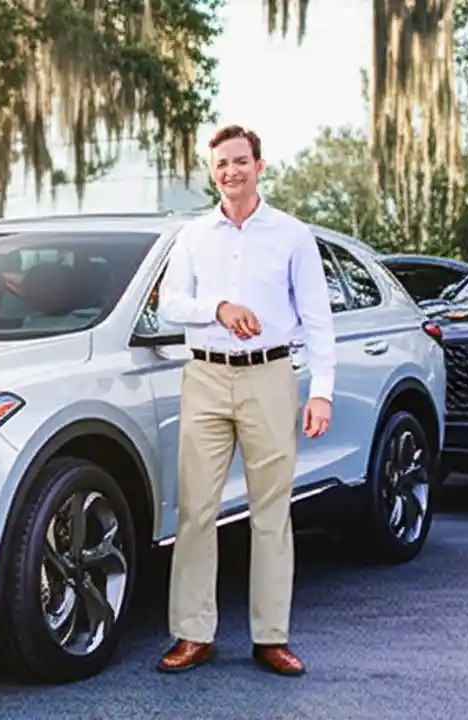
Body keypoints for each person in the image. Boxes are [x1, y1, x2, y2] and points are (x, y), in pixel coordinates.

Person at [154, 124, 335, 677]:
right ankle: (193, 634)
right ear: (213, 172)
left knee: (271, 514)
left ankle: (271, 637)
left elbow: (318, 320)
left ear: (259, 165)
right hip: (205, 378)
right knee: (196, 512)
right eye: (220, 164)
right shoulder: (192, 236)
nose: (230, 171)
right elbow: (168, 305)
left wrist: (321, 393)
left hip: (270, 377)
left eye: (239, 161)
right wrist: (220, 307)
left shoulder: (291, 235)